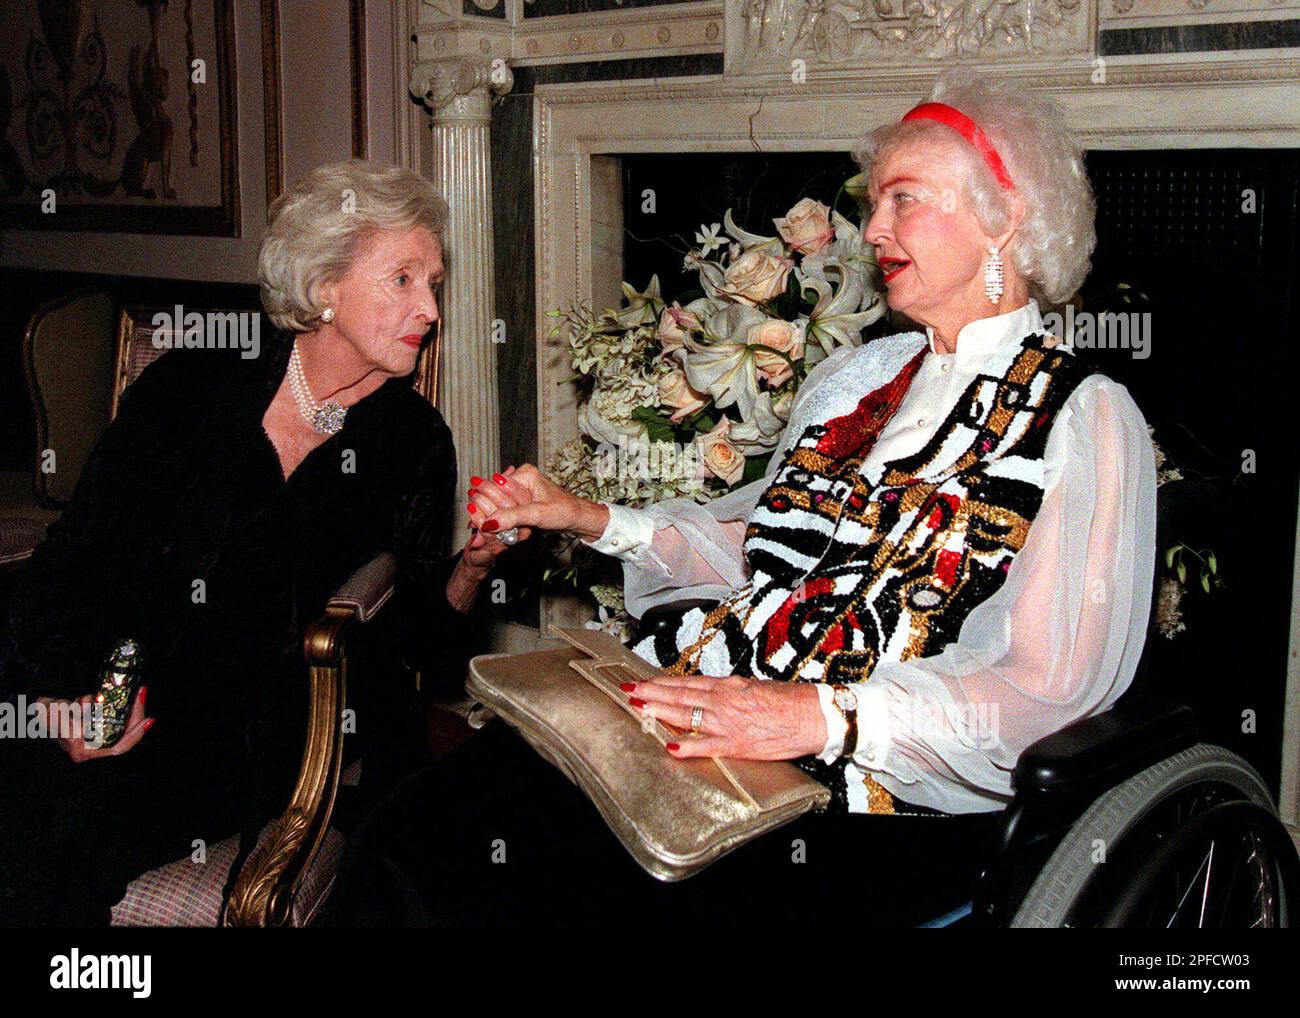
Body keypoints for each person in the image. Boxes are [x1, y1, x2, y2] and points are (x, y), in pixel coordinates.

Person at [327, 74, 1157, 927]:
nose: (873, 228)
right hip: (710, 713)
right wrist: (590, 517)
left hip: (866, 805)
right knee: (425, 824)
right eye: (875, 202)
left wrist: (821, 715)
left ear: (1005, 216)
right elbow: (764, 550)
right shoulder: (863, 379)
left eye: (904, 199)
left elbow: (1048, 691)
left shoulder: (1084, 417)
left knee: (534, 876)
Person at [0, 160, 507, 926]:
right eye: (402, 279)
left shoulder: (411, 441)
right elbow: (77, 556)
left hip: (261, 729)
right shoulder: (191, 387)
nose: (429, 307)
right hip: (123, 677)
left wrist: (473, 567)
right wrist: (61, 700)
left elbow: (418, 645)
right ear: (325, 285)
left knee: (63, 841)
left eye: (433, 282)